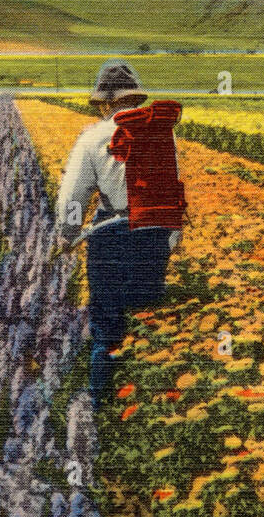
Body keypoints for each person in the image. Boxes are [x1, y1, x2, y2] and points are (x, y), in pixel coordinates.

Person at [57, 60, 183, 404]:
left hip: (114, 234)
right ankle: (152, 397)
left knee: (107, 319)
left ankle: (101, 399)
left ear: (107, 102)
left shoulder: (94, 137)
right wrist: (172, 235)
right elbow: (172, 184)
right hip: (154, 231)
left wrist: (67, 234)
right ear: (134, 99)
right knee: (146, 311)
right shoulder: (162, 132)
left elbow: (74, 194)